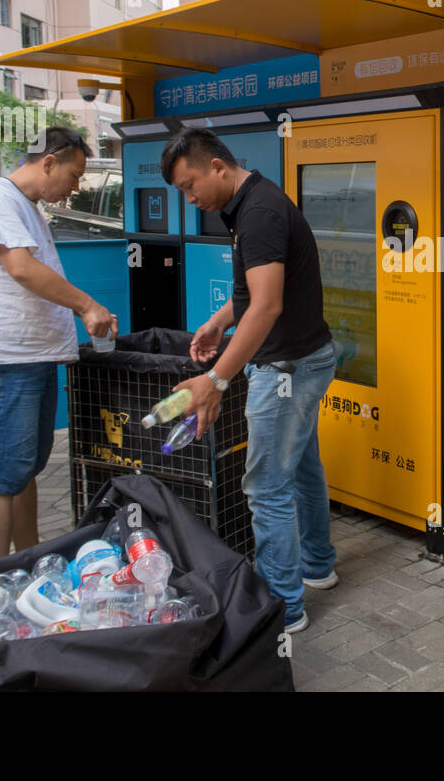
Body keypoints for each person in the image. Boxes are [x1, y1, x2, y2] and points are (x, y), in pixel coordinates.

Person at [162, 128, 336, 634]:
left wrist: (214, 380)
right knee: (300, 467)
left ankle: (283, 608)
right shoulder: (252, 203)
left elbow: (268, 305)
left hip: (287, 367)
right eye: (180, 191)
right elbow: (256, 291)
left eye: (190, 185)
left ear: (217, 166)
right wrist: (220, 322)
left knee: (266, 488)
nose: (189, 198)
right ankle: (317, 567)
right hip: (306, 357)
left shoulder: (257, 214)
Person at [0, 127, 117, 563]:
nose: (76, 186)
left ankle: (27, 559)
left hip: (34, 357)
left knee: (25, 467)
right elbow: (22, 268)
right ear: (49, 162)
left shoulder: (27, 207)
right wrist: (87, 306)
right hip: (9, 361)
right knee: (4, 474)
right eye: (74, 174)